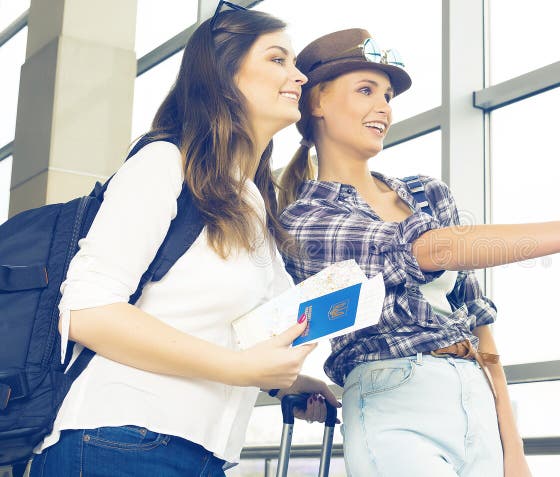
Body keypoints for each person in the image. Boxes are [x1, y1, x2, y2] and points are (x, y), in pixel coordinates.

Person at [276, 28, 560, 477]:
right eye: (365, 90)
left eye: (388, 95)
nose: (384, 108)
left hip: (475, 399)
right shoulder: (306, 218)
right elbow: (430, 249)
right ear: (316, 102)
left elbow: (477, 324)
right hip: (392, 405)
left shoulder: (426, 195)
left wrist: (513, 449)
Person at [29, 5, 337, 476]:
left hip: (200, 454)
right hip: (118, 440)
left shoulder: (254, 199)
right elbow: (88, 311)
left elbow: (240, 331)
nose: (298, 76)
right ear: (223, 73)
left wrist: (284, 383)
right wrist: (241, 370)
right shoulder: (165, 164)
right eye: (278, 60)